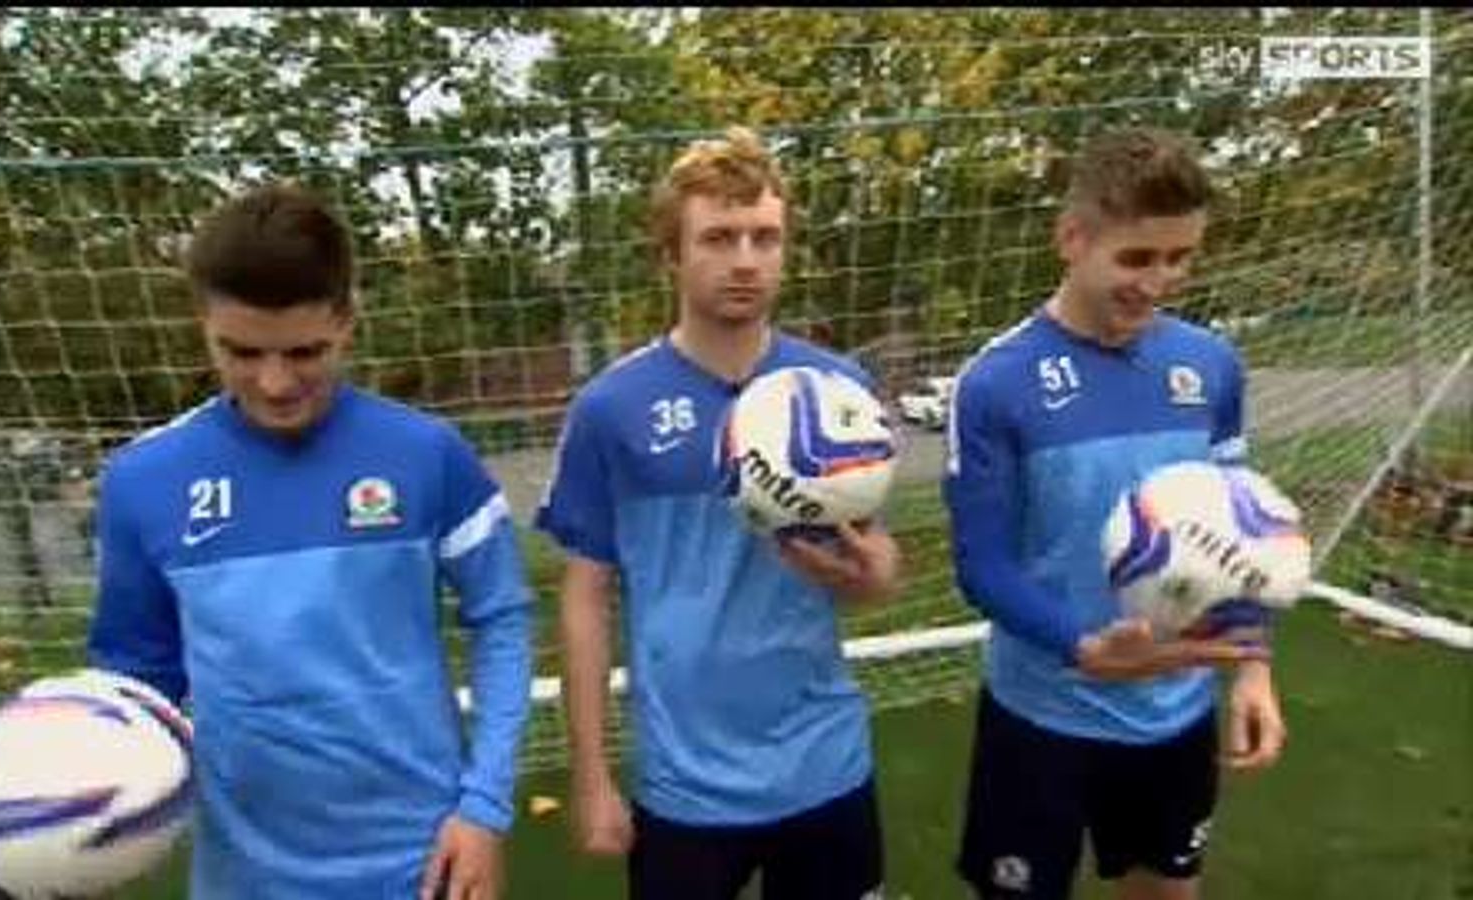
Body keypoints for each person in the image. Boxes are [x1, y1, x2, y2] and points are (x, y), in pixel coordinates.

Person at [86, 183, 533, 900]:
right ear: (202, 321)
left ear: (347, 319)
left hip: (423, 866)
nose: (274, 382)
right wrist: (85, 815)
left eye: (304, 352)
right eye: (240, 351)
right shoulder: (144, 481)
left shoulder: (428, 455)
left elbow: (502, 619)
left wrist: (482, 808)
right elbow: (135, 684)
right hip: (246, 877)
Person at [533, 126, 902, 900]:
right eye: (719, 238)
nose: (745, 260)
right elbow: (586, 596)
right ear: (671, 254)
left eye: (765, 238)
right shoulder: (612, 407)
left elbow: (878, 562)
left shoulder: (835, 392)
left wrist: (871, 576)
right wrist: (595, 776)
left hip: (824, 761)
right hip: (685, 782)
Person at [943, 126, 1286, 900]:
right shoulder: (996, 383)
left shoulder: (1210, 365)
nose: (1158, 281)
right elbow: (983, 565)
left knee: (1166, 892)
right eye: (1135, 258)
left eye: (1179, 258)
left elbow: (1240, 533)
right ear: (1072, 238)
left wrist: (1254, 671)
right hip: (1042, 719)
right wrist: (1085, 645)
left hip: (1175, 713)